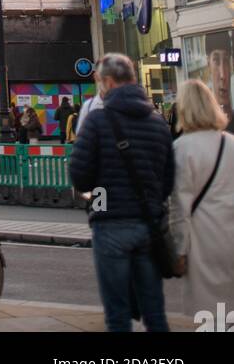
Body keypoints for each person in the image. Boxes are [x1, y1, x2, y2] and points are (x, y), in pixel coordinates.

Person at [69, 52, 174, 334]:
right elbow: (168, 179)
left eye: (101, 82)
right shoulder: (157, 123)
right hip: (150, 226)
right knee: (155, 312)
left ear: (110, 82)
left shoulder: (97, 122)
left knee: (117, 315)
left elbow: (80, 176)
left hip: (110, 224)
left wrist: (100, 196)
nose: (100, 88)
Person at [169, 79, 234, 321]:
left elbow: (179, 210)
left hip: (204, 243)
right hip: (231, 238)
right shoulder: (230, 143)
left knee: (212, 316)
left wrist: (179, 251)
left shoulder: (182, 149)